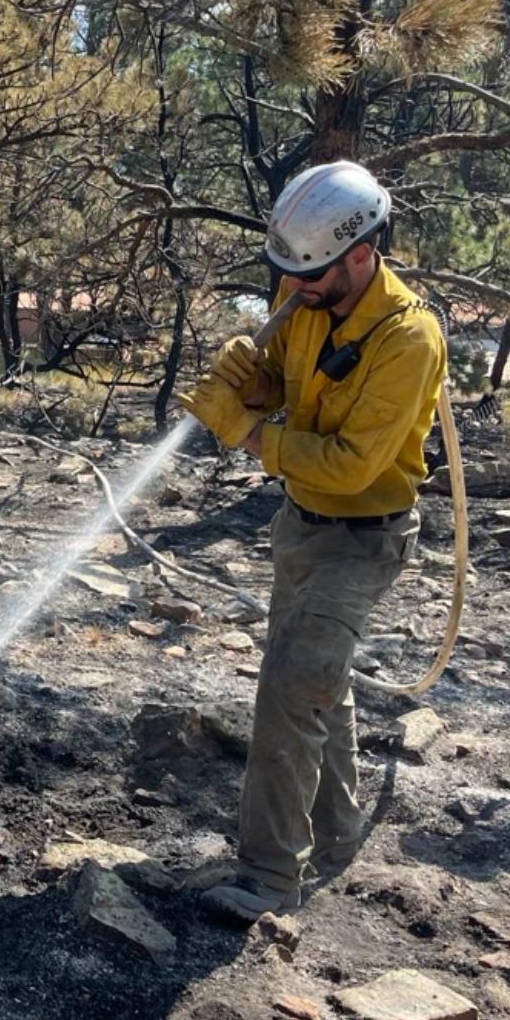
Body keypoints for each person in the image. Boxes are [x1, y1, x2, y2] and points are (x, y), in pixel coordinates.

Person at [178, 161, 446, 913]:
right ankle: (336, 830)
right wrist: (251, 379)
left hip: (365, 538)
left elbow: (353, 466)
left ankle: (270, 877)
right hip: (300, 529)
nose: (293, 290)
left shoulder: (409, 339)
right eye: (286, 276)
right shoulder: (305, 284)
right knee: (319, 680)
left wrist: (250, 434)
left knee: (293, 685)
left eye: (313, 276)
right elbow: (292, 390)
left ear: (362, 253)